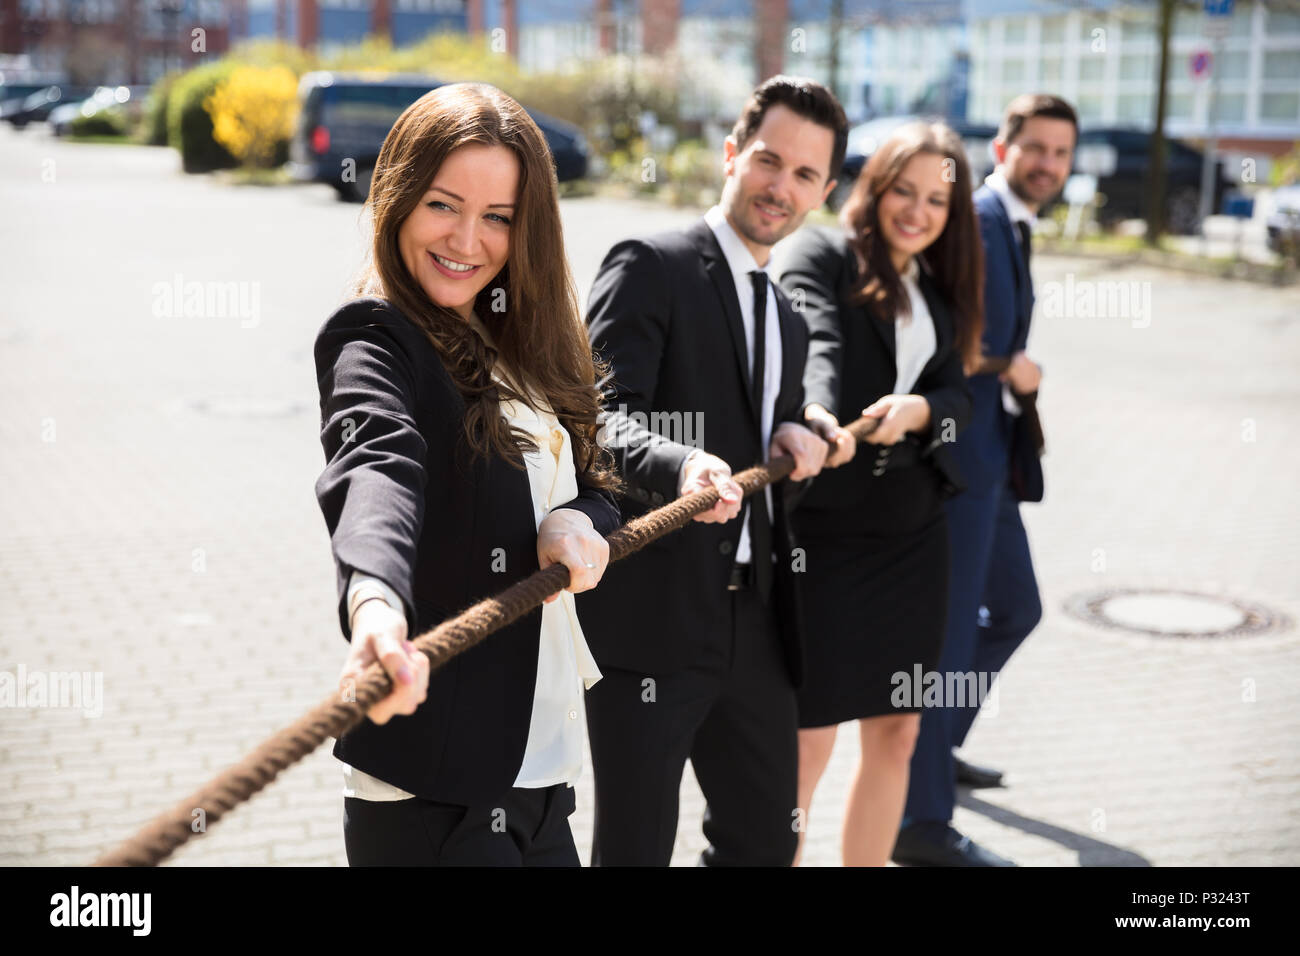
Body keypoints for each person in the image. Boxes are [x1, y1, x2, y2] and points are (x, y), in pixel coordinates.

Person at [312, 82, 621, 866]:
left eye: (498, 218)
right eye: (443, 205)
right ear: (397, 198)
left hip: (541, 770)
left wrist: (578, 520)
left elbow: (597, 482)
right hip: (435, 793)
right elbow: (375, 463)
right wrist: (375, 606)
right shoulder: (375, 338)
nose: (466, 240)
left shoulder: (519, 338)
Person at [575, 75, 843, 866]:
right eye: (769, 160)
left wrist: (801, 431)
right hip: (652, 621)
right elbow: (598, 422)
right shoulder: (651, 264)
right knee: (634, 849)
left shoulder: (787, 316)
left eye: (804, 175)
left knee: (766, 842)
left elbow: (771, 423)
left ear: (824, 192)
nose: (780, 186)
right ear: (731, 154)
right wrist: (682, 461)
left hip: (757, 623)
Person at [772, 121, 982, 866]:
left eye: (936, 200)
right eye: (904, 189)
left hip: (914, 534)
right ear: (875, 184)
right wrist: (822, 415)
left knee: (900, 730)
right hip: (825, 538)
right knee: (807, 741)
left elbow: (958, 396)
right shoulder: (823, 252)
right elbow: (818, 342)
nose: (917, 211)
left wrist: (923, 413)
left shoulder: (940, 287)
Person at [897, 93, 1076, 867]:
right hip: (957, 457)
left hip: (993, 456)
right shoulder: (973, 219)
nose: (1048, 164)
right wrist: (1013, 366)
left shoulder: (1016, 225)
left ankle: (940, 747)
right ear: (1003, 147)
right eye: (1035, 147)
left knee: (1015, 607)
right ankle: (919, 823)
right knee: (946, 638)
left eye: (1061, 153)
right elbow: (951, 341)